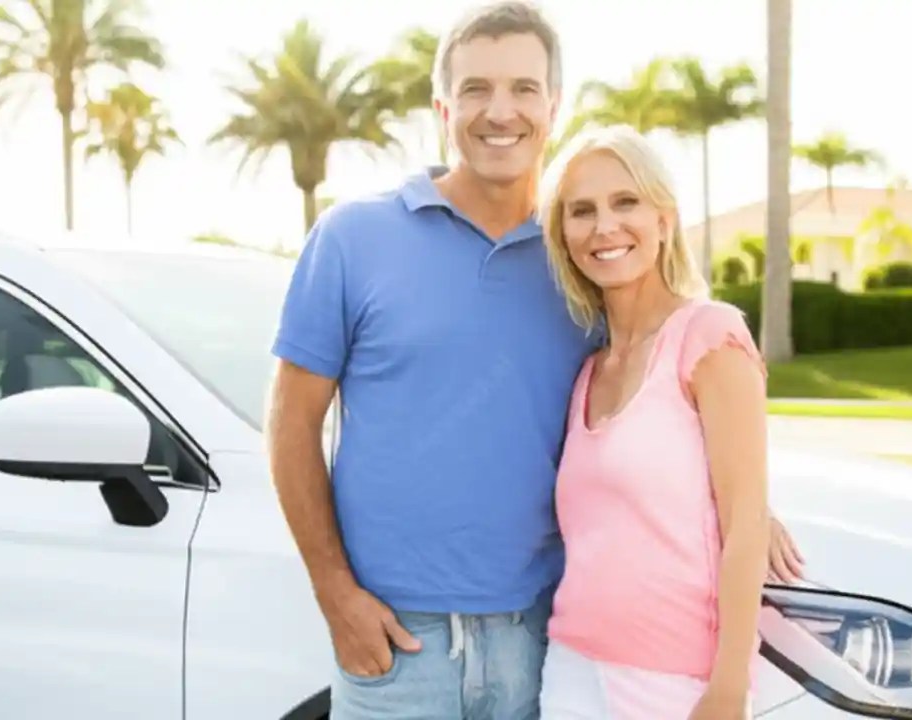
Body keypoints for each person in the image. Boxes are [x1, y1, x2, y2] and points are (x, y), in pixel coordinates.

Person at [266, 2, 803, 718]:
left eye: (523, 88)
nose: (500, 111)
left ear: (553, 107)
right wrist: (335, 594)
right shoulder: (351, 238)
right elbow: (290, 424)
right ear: (442, 108)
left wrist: (748, 503)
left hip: (541, 643)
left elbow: (660, 400)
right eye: (476, 90)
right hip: (398, 644)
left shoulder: (579, 260)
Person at [535, 125, 768, 719]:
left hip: (673, 681)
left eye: (626, 201)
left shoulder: (710, 335)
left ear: (664, 220)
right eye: (581, 211)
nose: (605, 226)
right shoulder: (588, 369)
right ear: (564, 237)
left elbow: (746, 524)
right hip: (571, 664)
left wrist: (728, 688)